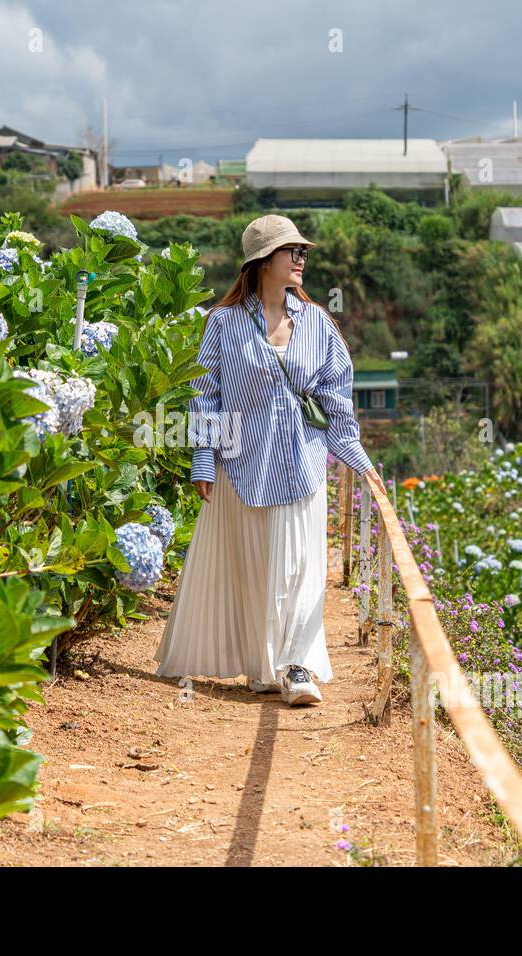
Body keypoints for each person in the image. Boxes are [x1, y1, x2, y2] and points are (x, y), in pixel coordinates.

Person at [153, 213, 387, 706]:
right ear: (262, 261)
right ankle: (264, 665)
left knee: (301, 567)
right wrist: (202, 462)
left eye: (303, 252)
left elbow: (336, 404)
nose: (301, 259)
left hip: (301, 464)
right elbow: (206, 395)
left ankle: (298, 666)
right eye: (292, 251)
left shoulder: (319, 325)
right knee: (257, 570)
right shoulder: (221, 324)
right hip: (240, 466)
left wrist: (361, 464)